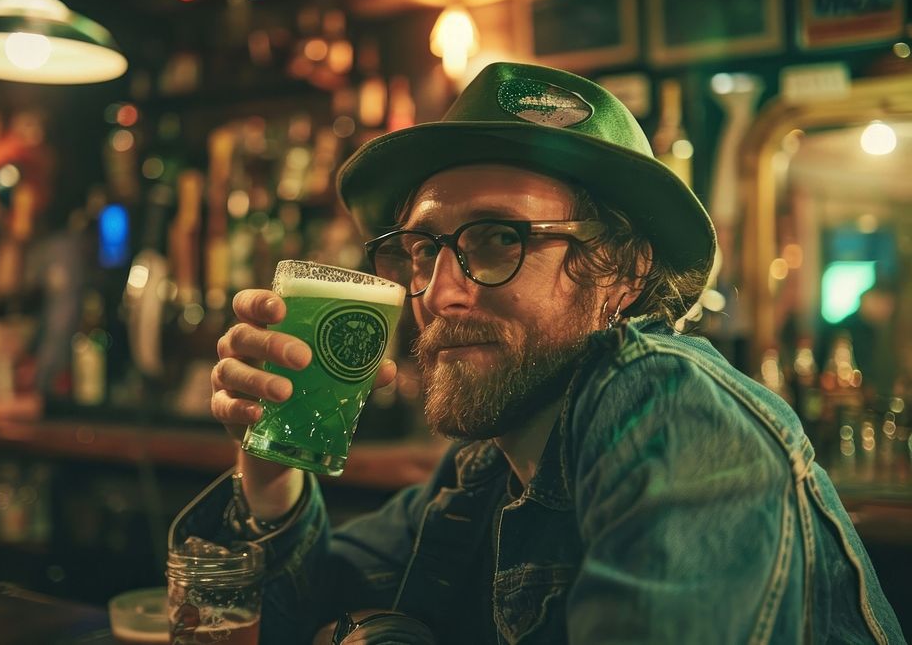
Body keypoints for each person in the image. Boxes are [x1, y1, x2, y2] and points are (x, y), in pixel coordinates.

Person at [183, 62, 903, 643]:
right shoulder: (483, 468)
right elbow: (288, 616)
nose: (440, 292)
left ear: (621, 272)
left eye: (499, 238)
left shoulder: (670, 406)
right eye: (422, 250)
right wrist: (271, 479)